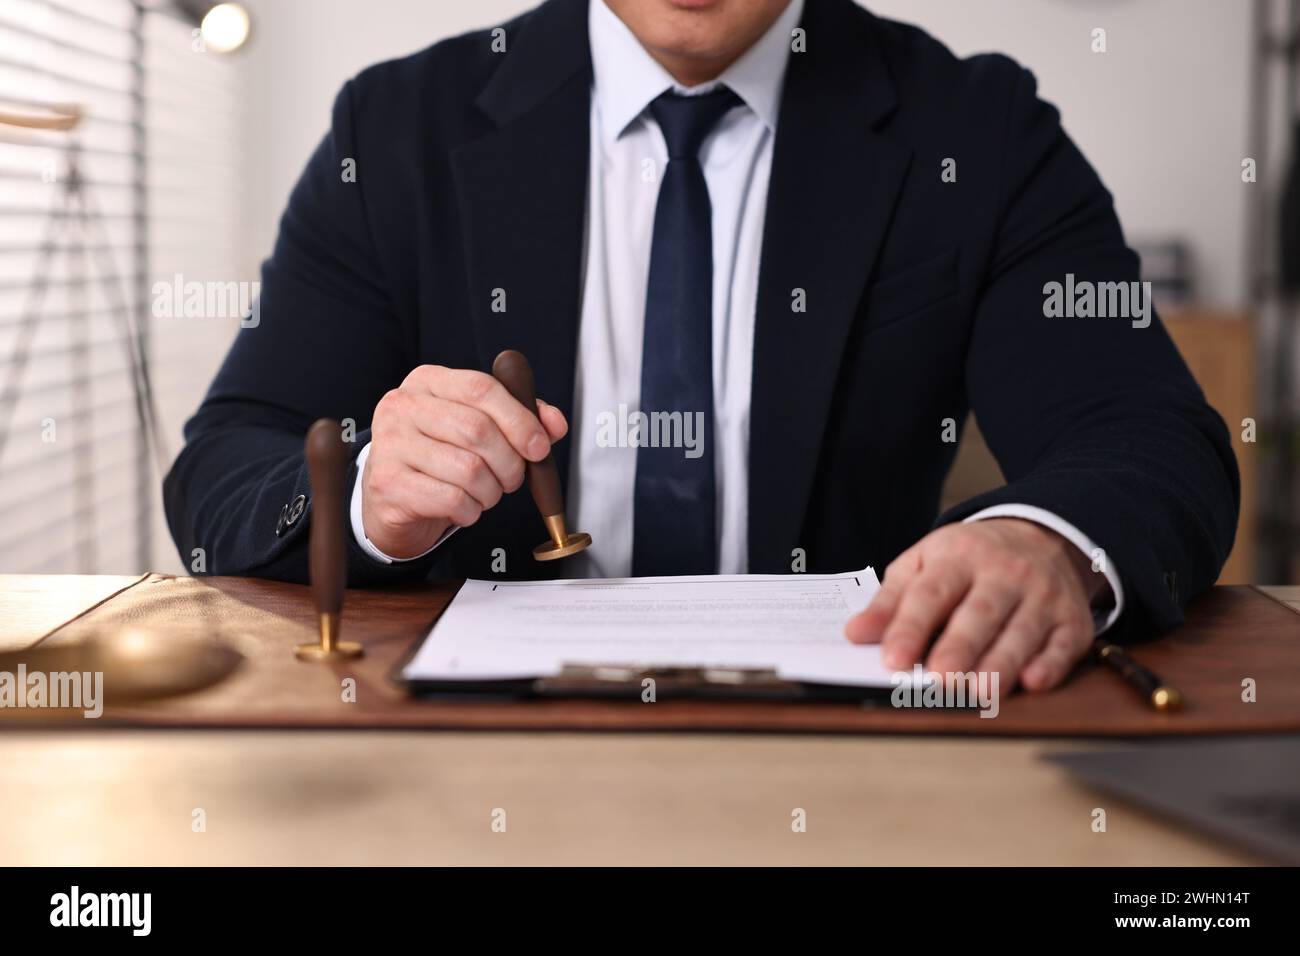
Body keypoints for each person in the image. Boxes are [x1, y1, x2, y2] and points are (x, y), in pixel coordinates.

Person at [164, 0, 1239, 692]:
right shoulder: (393, 129)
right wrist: (365, 499)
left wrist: (1045, 538)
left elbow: (1148, 434)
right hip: (474, 756)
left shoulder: (978, 128)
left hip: (854, 747)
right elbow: (229, 460)